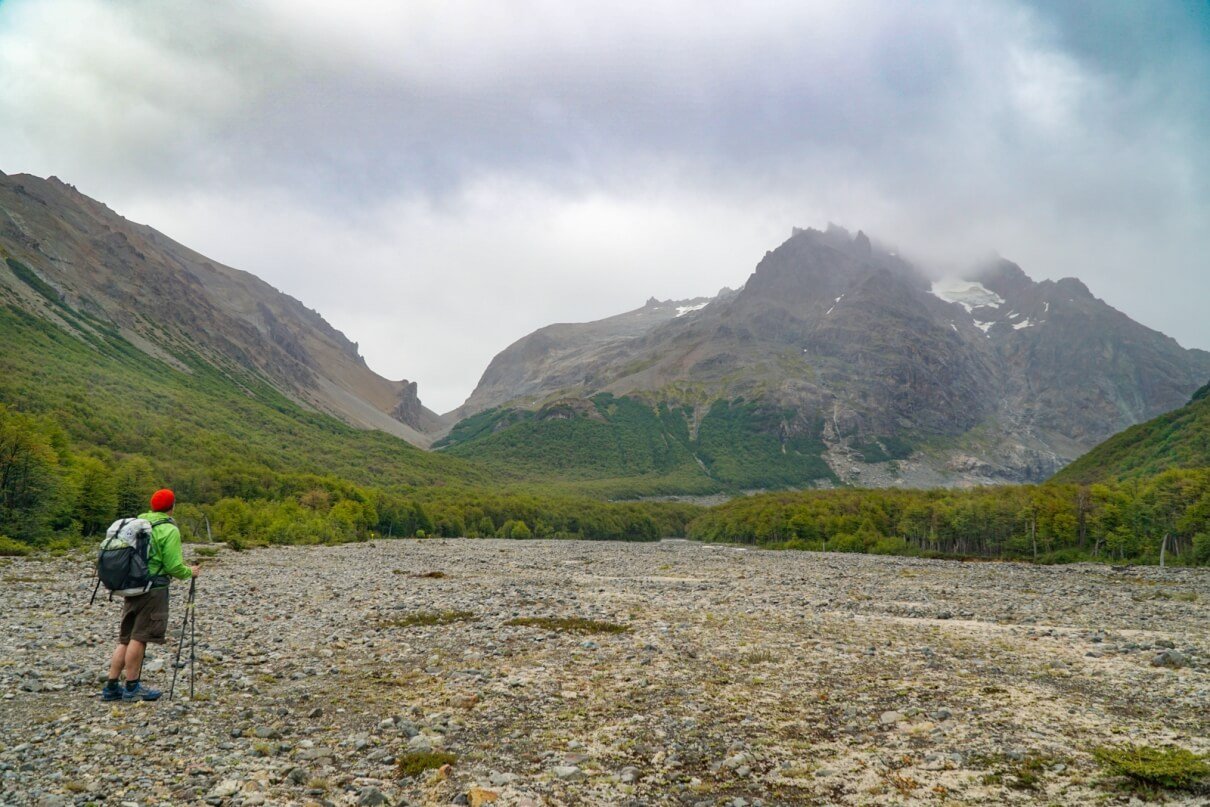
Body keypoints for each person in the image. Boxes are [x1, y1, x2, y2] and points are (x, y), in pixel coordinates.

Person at [100, 489, 197, 701]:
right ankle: (132, 687)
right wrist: (190, 572)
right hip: (153, 589)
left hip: (130, 585)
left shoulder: (138, 523)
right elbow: (173, 566)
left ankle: (111, 686)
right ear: (172, 507)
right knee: (140, 637)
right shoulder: (168, 529)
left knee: (125, 638)